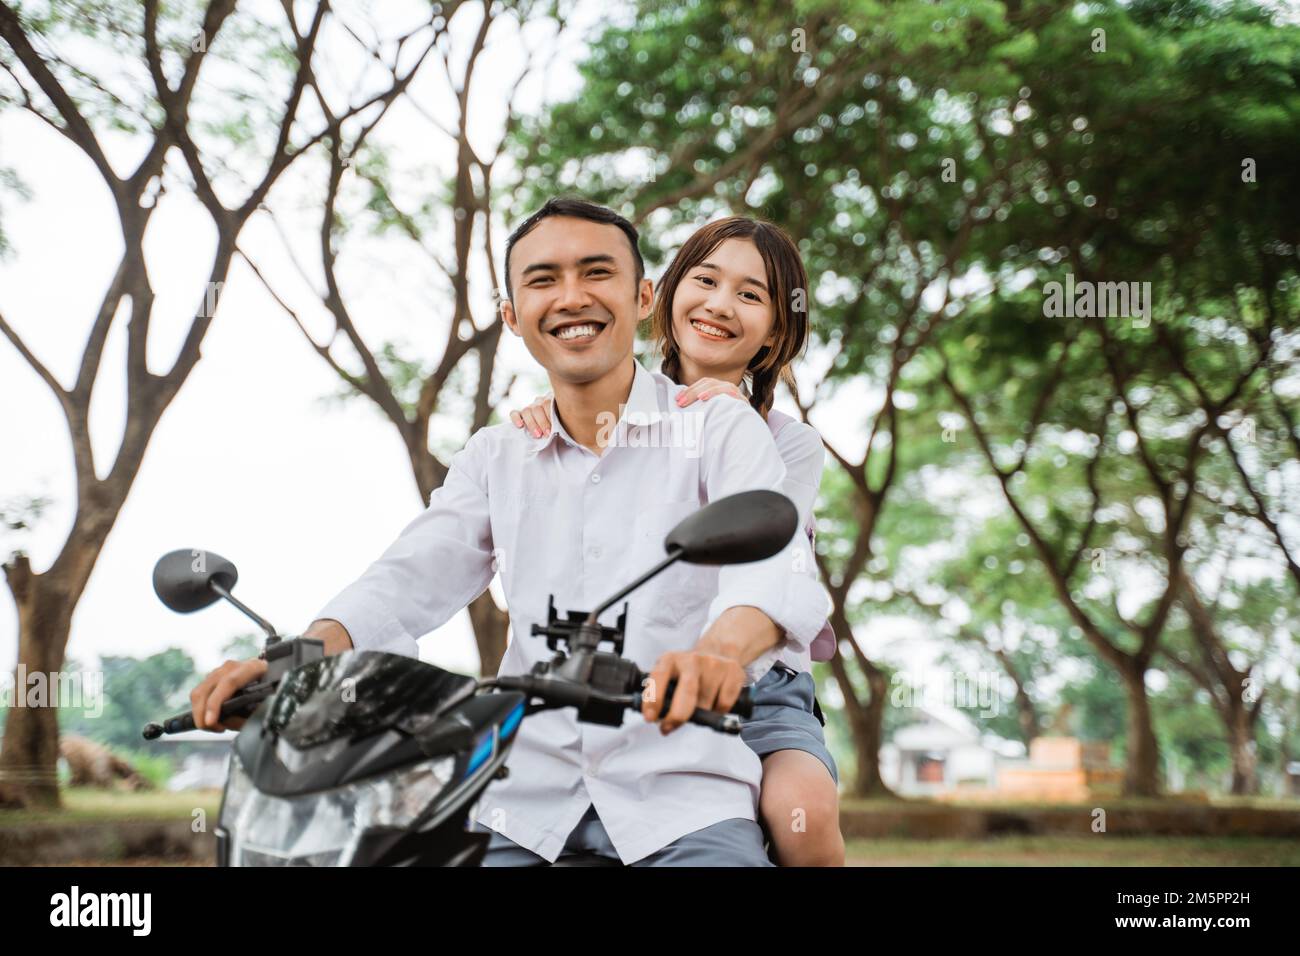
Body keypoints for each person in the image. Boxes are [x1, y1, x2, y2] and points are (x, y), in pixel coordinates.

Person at [187, 197, 831, 866]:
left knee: (800, 823)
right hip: (523, 802)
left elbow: (773, 564)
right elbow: (413, 573)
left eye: (596, 273)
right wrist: (300, 660)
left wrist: (720, 653)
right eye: (543, 280)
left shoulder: (723, 429)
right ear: (511, 314)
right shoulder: (499, 453)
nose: (572, 297)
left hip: (683, 796)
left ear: (642, 295)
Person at [510, 216, 844, 866]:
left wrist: (728, 417)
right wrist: (549, 420)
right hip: (631, 671)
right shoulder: (601, 410)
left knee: (800, 815)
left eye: (750, 295)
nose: (720, 304)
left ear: (775, 331)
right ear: (664, 294)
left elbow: (765, 551)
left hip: (758, 685)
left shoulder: (788, 441)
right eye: (707, 280)